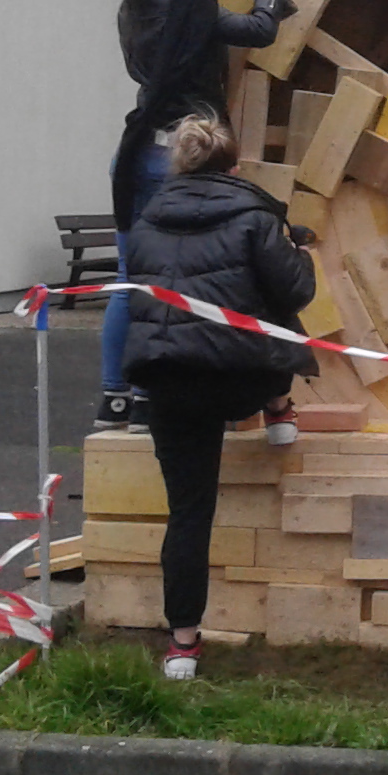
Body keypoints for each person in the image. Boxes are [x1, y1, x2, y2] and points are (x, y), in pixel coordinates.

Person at [121, 113, 319, 680]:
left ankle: (182, 645)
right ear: (234, 167)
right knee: (278, 319)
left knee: (189, 512)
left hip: (167, 381)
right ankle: (280, 410)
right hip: (240, 379)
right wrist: (298, 250)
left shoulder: (145, 222)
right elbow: (297, 290)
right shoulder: (257, 217)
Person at [97, 0, 285, 432]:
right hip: (180, 155)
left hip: (135, 152)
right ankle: (148, 399)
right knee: (176, 282)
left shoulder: (135, 3)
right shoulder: (192, 8)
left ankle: (116, 398)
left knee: (128, 280)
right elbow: (258, 30)